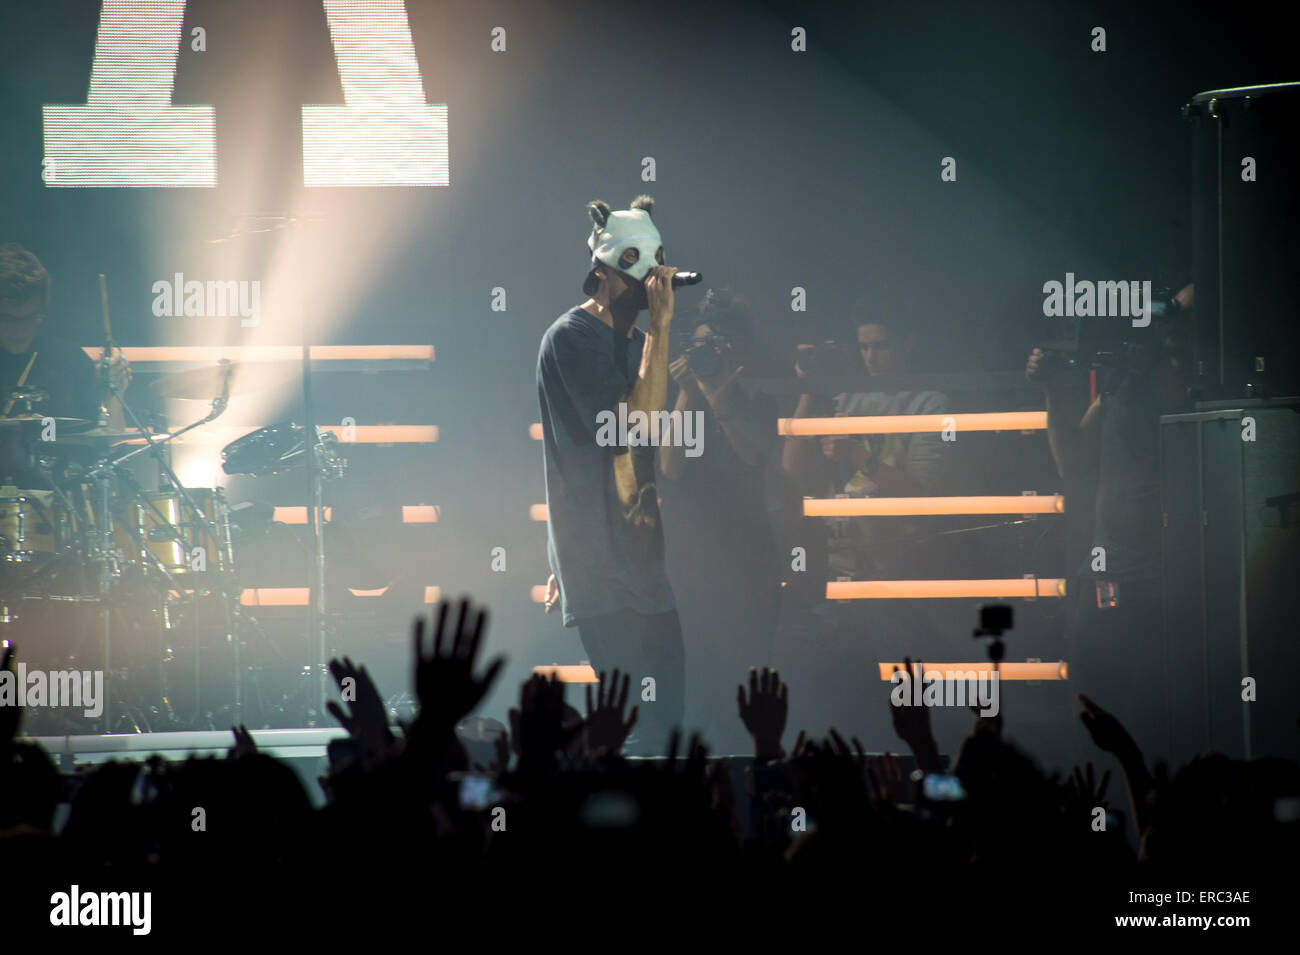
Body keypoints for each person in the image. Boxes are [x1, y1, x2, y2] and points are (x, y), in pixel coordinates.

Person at [535, 195, 683, 755]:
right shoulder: (570, 340)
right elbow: (631, 427)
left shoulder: (641, 346)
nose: (652, 284)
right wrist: (664, 327)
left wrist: (657, 337)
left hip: (645, 562)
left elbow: (650, 440)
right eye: (639, 271)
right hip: (600, 570)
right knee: (634, 732)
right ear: (603, 273)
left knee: (670, 726)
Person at [1025, 282, 1195, 762]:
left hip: (1169, 584)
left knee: (1159, 723)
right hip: (1106, 578)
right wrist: (1054, 392)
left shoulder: (1205, 383)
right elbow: (1073, 463)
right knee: (1092, 709)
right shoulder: (1127, 378)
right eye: (1168, 314)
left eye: (1181, 316)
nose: (1169, 325)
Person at [776, 309, 951, 741]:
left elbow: (924, 493)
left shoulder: (929, 403)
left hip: (897, 569)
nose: (871, 357)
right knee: (836, 694)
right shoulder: (845, 400)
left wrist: (860, 458)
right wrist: (807, 390)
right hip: (837, 566)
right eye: (864, 347)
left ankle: (911, 768)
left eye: (881, 345)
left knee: (900, 696)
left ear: (906, 344)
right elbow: (789, 473)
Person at [656, 288, 785, 753]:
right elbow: (670, 467)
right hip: (688, 573)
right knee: (690, 704)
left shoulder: (760, 403)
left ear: (740, 350)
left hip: (749, 574)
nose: (709, 354)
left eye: (718, 346)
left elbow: (752, 455)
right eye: (701, 346)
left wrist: (718, 394)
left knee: (744, 705)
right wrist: (690, 393)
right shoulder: (684, 401)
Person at [0, 242, 131, 486]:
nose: (20, 330)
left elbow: (107, 446)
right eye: (8, 319)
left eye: (31, 318)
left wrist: (114, 393)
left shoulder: (68, 361)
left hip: (57, 505)